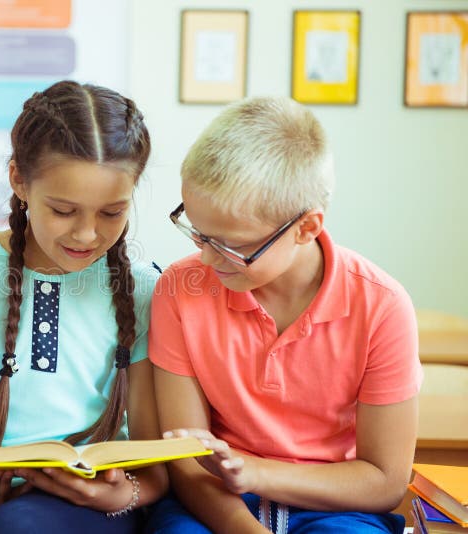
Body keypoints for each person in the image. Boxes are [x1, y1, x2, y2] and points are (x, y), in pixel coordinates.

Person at [145, 96, 422, 534]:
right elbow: (187, 463)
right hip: (213, 503)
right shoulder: (180, 289)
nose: (207, 259)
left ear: (307, 227)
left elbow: (385, 482)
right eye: (197, 232)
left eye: (231, 246)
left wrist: (256, 473)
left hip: (338, 507)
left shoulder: (382, 307)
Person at [0, 80, 167, 534]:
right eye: (64, 211)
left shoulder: (145, 289)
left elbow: (153, 463)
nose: (87, 235)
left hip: (95, 513)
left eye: (111, 213)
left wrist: (122, 493)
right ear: (18, 181)